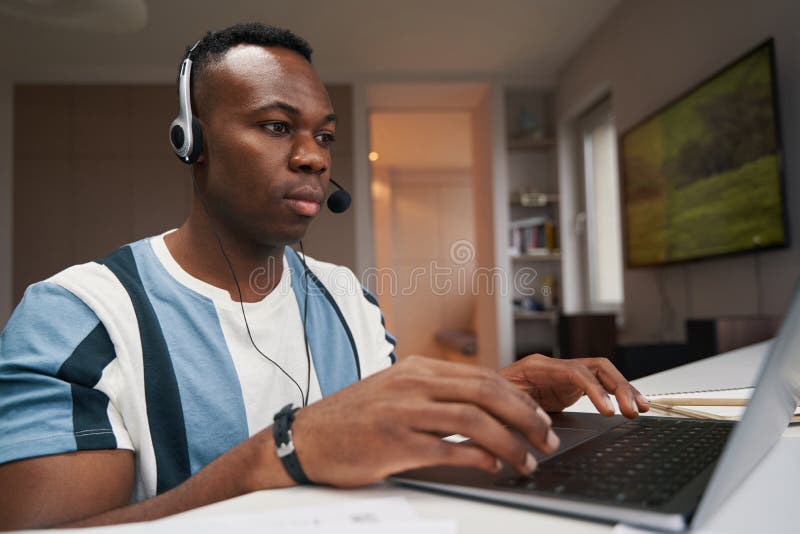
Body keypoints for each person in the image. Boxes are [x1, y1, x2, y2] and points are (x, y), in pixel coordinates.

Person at [0, 23, 649, 530]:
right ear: (191, 142)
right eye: (277, 127)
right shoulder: (79, 315)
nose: (312, 156)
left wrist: (496, 393)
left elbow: (379, 432)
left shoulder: (348, 298)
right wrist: (279, 454)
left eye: (324, 136)